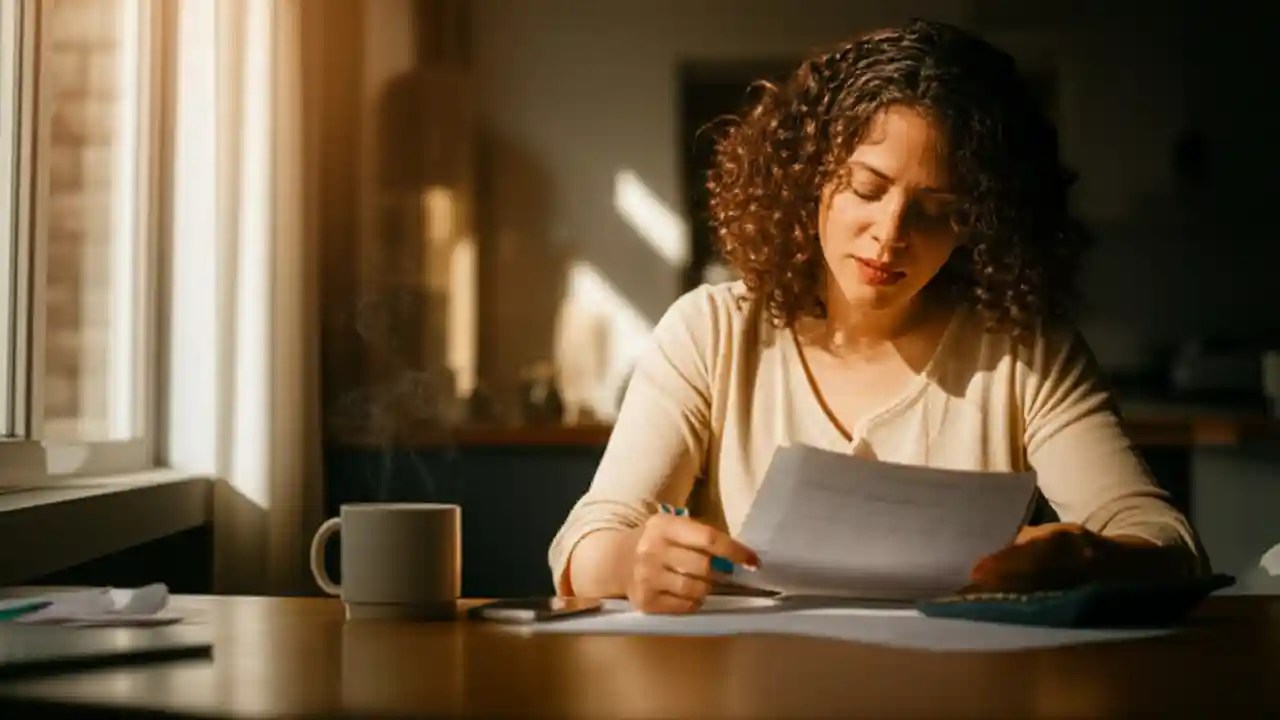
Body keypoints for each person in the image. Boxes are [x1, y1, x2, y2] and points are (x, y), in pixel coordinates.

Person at [549, 19, 1206, 613]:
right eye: (867, 188)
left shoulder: (1023, 350)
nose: (891, 234)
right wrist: (633, 561)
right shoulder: (711, 332)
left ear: (981, 223)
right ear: (810, 174)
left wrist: (1093, 558)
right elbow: (584, 543)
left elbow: (1168, 543)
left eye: (938, 210)